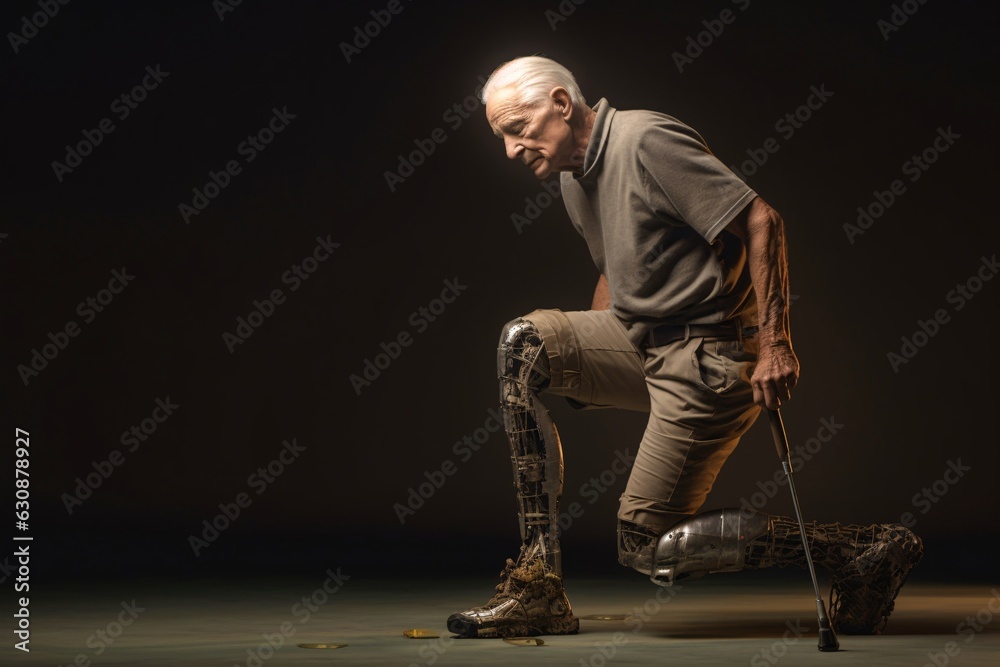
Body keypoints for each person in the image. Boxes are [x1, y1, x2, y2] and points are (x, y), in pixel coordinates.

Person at [446, 56, 922, 639]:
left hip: (711, 357)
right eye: (502, 138)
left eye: (517, 130)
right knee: (524, 345)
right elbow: (618, 266)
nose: (511, 151)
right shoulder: (574, 177)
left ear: (561, 105)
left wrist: (776, 345)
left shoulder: (646, 139)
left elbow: (762, 219)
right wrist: (589, 357)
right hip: (643, 340)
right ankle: (536, 589)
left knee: (648, 548)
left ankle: (860, 550)